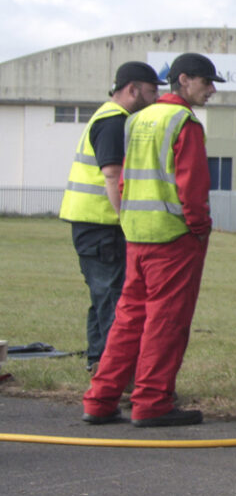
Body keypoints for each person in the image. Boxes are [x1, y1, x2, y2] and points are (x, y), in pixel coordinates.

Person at [82, 53, 221, 427]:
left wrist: (131, 220)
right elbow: (192, 186)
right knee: (166, 322)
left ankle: (100, 400)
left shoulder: (138, 119)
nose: (211, 91)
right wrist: (199, 226)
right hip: (173, 238)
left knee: (128, 321)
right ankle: (152, 402)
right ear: (184, 80)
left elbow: (124, 179)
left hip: (137, 234)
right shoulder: (184, 123)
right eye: (207, 82)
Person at [59, 61, 161, 373]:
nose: (156, 98)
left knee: (103, 297)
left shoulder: (106, 117)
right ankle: (116, 374)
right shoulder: (115, 122)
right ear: (133, 89)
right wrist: (128, 221)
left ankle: (99, 362)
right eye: (152, 91)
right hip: (102, 226)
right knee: (113, 300)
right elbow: (112, 176)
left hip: (91, 224)